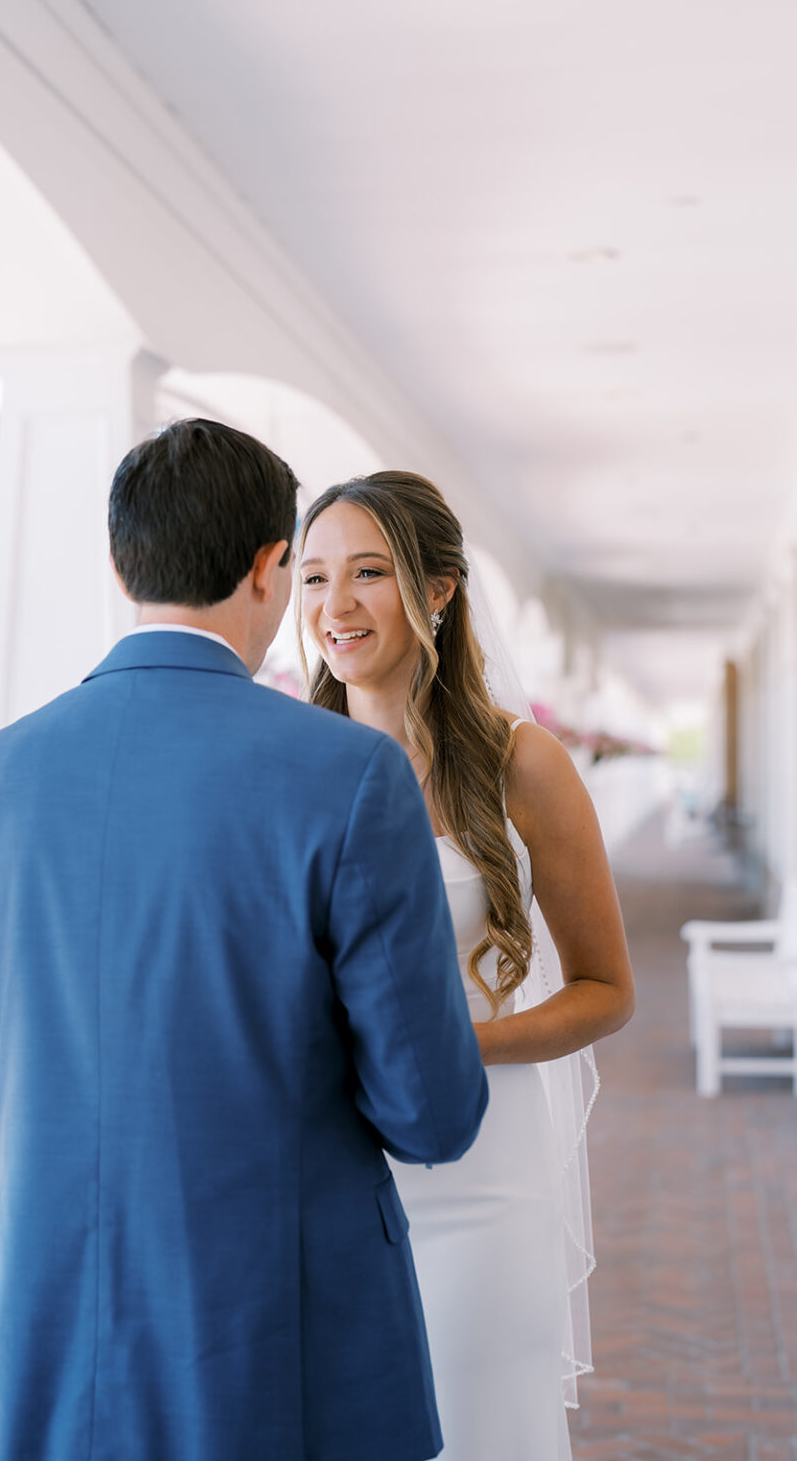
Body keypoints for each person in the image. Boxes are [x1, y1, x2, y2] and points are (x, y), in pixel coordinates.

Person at [0, 421, 488, 1461]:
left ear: (119, 562)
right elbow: (430, 1113)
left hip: (50, 1337)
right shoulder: (350, 776)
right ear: (272, 566)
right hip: (283, 1342)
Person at [298, 471, 635, 1461]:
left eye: (368, 573)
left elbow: (606, 990)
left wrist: (455, 1047)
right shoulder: (292, 762)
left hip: (478, 1177)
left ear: (437, 588)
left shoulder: (520, 764)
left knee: (477, 1432)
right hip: (322, 1170)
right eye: (313, 579)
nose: (335, 607)